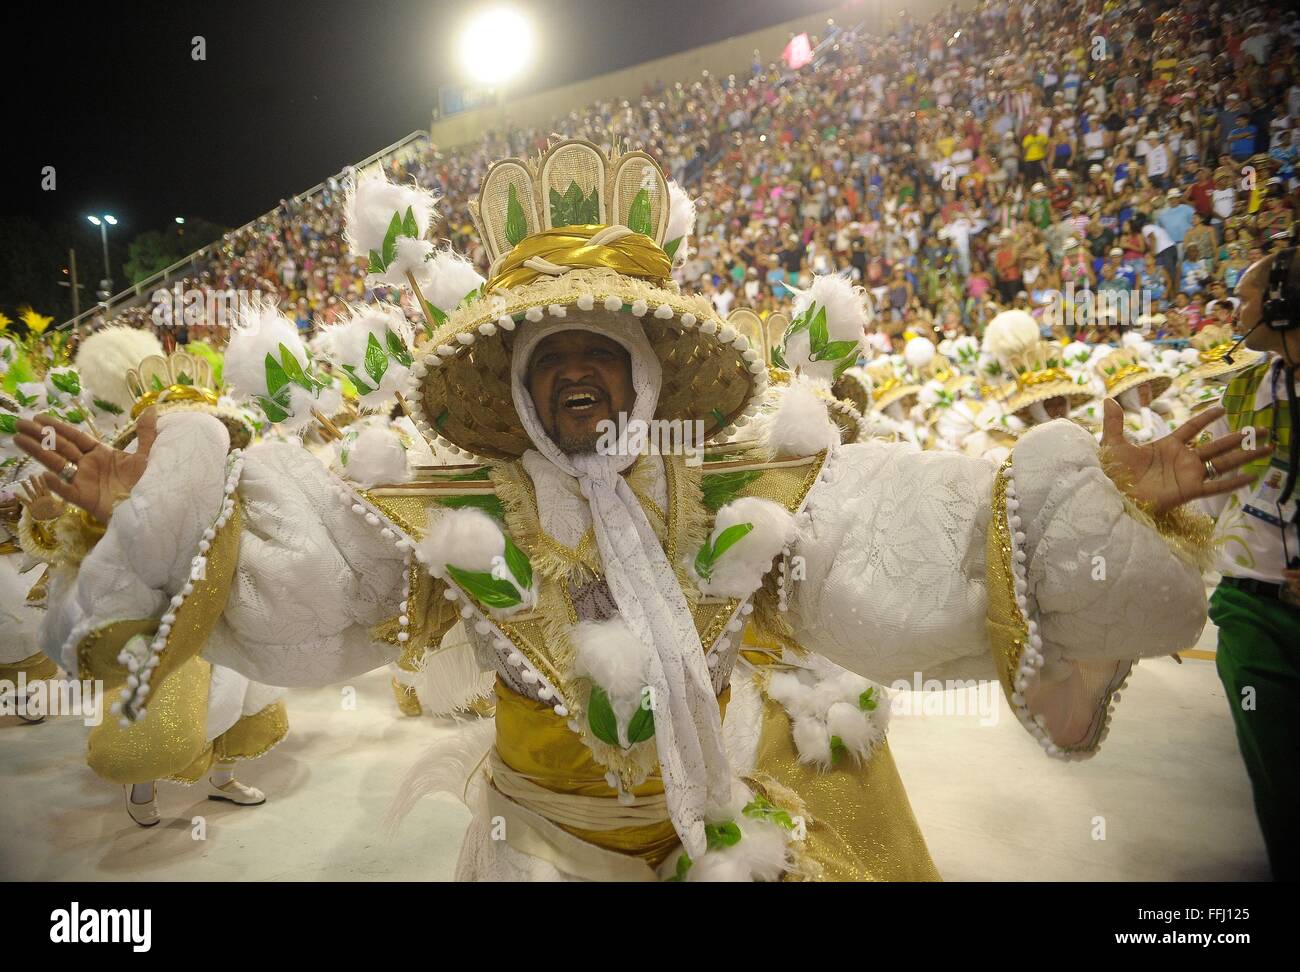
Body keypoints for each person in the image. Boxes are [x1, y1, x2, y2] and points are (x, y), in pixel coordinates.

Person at [12, 140, 1259, 882]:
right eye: (545, 351)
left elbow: (919, 536)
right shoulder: (437, 501)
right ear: (509, 376)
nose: (575, 372)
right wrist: (165, 512)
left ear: (650, 368)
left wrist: (1091, 505)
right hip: (536, 855)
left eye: (601, 350)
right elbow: (310, 582)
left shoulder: (749, 482)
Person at [1203, 246, 1300, 881]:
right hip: (1252, 611)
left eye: (1247, 296)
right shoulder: (1241, 392)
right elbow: (1207, 493)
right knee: (1285, 787)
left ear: (1286, 301)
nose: (1235, 310)